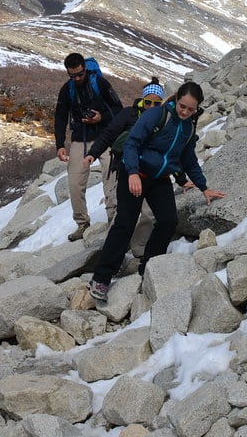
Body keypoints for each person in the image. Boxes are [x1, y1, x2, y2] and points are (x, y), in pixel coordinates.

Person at [89, 81, 225, 302]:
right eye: (182, 106)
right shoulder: (157, 116)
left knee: (168, 221)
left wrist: (204, 187)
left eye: (191, 109)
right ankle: (101, 278)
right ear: (176, 99)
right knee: (125, 222)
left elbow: (189, 160)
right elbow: (132, 143)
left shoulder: (188, 128)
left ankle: (148, 267)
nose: (185, 112)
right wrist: (132, 172)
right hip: (135, 174)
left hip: (159, 179)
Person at [84, 78, 182, 254]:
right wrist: (93, 153)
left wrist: (181, 178)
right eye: (148, 102)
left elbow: (170, 152)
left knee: (149, 212)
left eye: (156, 103)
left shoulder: (163, 119)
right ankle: (111, 251)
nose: (152, 106)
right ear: (143, 100)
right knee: (120, 212)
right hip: (124, 169)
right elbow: (109, 134)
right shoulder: (128, 114)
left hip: (150, 172)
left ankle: (139, 247)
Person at [54, 53, 124, 241]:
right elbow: (60, 117)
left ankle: (114, 220)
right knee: (75, 183)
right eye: (72, 76)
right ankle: (82, 224)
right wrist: (60, 145)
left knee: (110, 177)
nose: (77, 78)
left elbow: (119, 109)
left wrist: (101, 117)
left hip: (106, 135)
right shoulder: (67, 90)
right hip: (80, 139)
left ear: (85, 68)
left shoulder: (100, 83)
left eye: (79, 74)